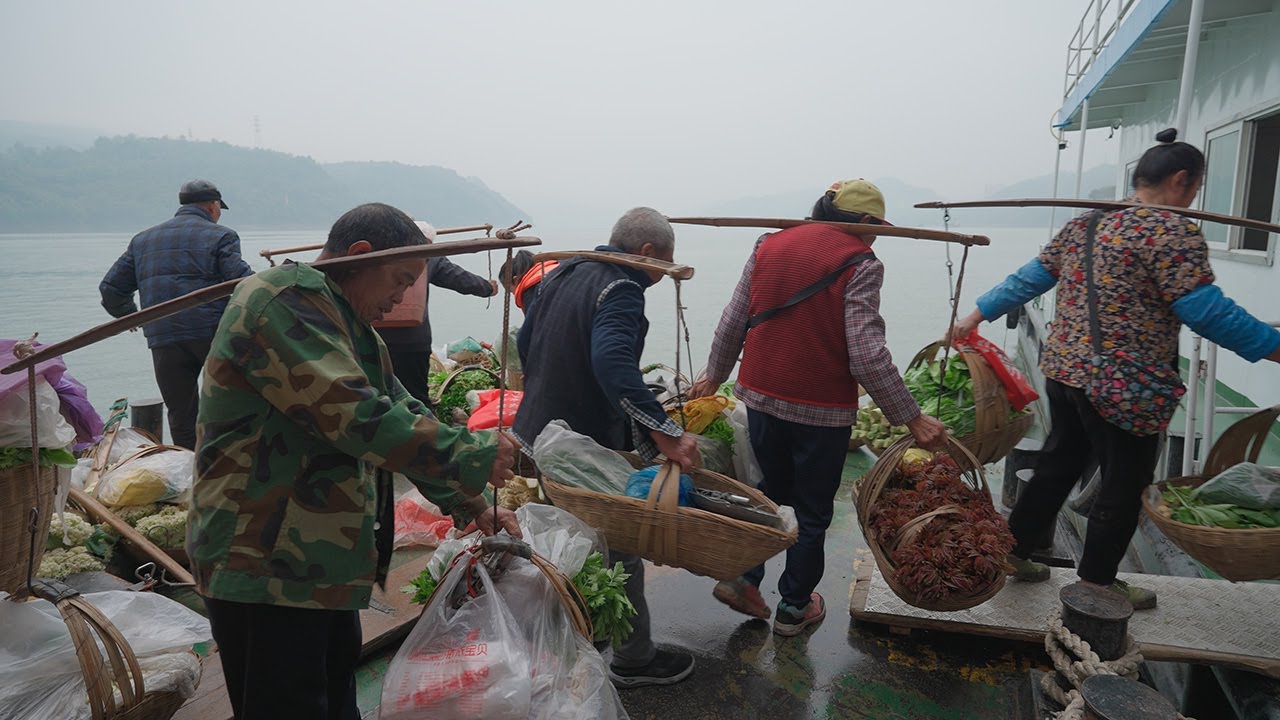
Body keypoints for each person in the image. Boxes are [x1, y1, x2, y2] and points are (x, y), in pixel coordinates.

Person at [187, 202, 519, 720]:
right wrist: (473, 451)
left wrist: (472, 503)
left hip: (318, 561)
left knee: (334, 696)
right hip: (262, 560)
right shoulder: (281, 300)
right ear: (360, 255)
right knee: (290, 705)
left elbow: (400, 405)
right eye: (399, 280)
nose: (402, 298)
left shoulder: (344, 320)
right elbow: (356, 416)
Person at [949, 129, 1280, 610]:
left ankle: (1014, 551)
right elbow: (1206, 313)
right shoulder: (1171, 231)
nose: (1193, 200)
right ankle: (1098, 583)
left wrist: (975, 315)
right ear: (1181, 180)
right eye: (1194, 189)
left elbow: (1029, 278)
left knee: (1058, 463)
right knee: (1124, 483)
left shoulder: (1085, 224)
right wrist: (1275, 346)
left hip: (1065, 374)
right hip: (1126, 388)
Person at [689, 179, 947, 636]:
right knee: (810, 512)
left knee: (770, 493)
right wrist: (912, 417)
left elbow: (734, 319)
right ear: (865, 222)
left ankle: (744, 577)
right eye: (876, 229)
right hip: (820, 411)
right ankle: (793, 608)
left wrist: (713, 374)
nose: (876, 238)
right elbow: (866, 353)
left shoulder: (769, 244)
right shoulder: (860, 262)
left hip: (760, 397)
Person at [512, 207, 699, 688]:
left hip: (538, 433)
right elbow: (613, 363)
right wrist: (664, 431)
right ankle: (634, 661)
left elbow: (527, 339)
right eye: (666, 260)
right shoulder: (623, 287)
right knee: (620, 548)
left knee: (571, 541)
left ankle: (573, 643)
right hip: (579, 443)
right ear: (649, 253)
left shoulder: (564, 273)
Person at [99, 179, 253, 449]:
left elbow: (111, 289)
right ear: (212, 206)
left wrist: (130, 315)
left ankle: (188, 472)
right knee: (233, 404)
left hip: (163, 336)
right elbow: (243, 282)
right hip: (211, 334)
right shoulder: (221, 235)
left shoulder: (143, 240)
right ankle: (229, 471)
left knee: (181, 415)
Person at [377, 220, 499, 408]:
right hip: (412, 342)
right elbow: (458, 277)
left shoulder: (382, 253)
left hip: (375, 338)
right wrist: (487, 288)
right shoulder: (428, 256)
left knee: (378, 392)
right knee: (415, 396)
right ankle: (424, 433)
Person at [498, 249, 560, 313]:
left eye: (511, 291)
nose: (514, 294)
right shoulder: (558, 267)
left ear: (515, 280)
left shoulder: (531, 293)